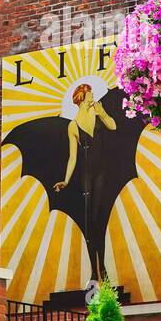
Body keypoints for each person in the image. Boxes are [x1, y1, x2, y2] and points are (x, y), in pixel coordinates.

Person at [54, 84, 117, 279]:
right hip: (86, 175)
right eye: (90, 95)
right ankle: (93, 271)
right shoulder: (72, 126)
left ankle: (103, 267)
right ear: (81, 97)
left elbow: (113, 126)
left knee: (101, 220)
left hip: (103, 173)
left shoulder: (98, 114)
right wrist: (65, 180)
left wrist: (102, 112)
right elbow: (73, 157)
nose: (92, 98)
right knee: (90, 223)